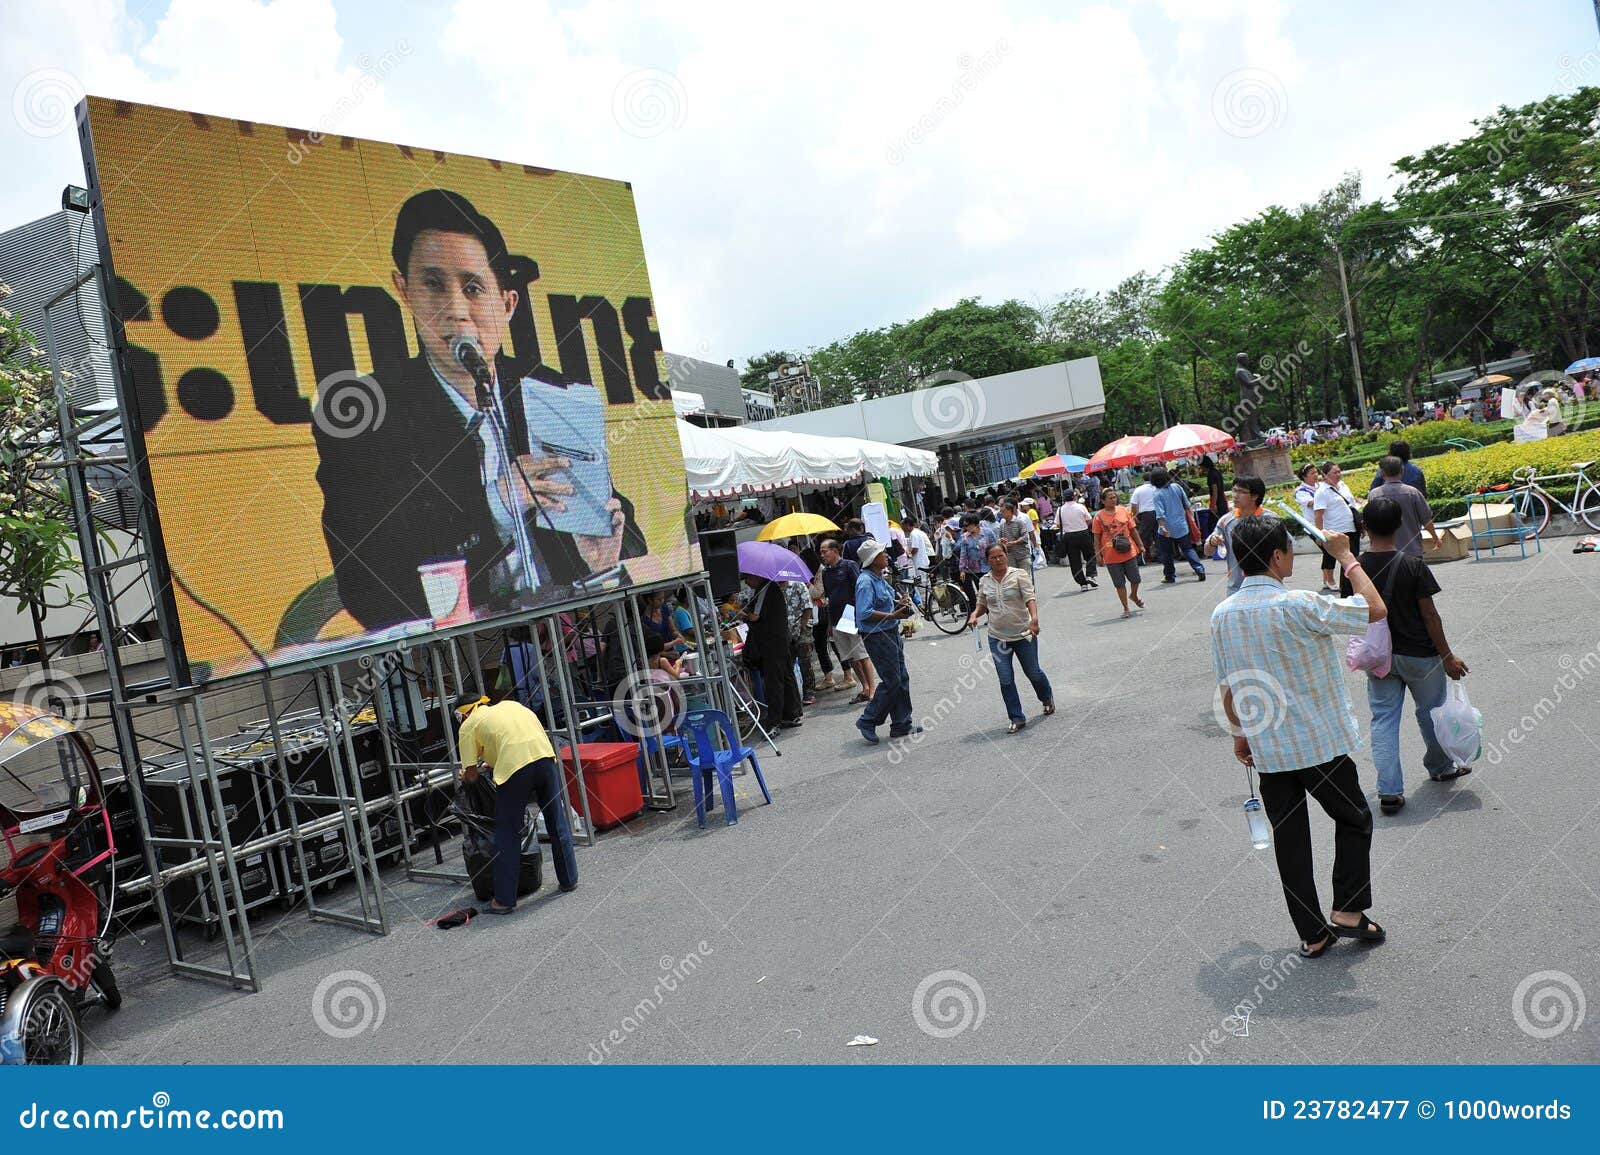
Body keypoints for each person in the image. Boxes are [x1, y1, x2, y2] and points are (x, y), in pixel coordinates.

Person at [315, 188, 645, 631]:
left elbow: (630, 538)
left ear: (507, 304)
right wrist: (493, 508)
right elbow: (371, 590)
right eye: (433, 285)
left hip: (576, 639)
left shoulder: (552, 394)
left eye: (473, 287)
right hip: (463, 663)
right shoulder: (364, 421)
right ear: (404, 291)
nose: (456, 309)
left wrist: (601, 560)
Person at [1210, 517, 1388, 958]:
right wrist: (1346, 556)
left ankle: (1312, 933)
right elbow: (1374, 609)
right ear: (1276, 557)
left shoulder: (1222, 615)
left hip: (1269, 747)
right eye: (1288, 550)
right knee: (1354, 818)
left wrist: (1239, 734)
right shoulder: (1299, 604)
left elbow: (1229, 683)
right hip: (1317, 743)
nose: (1291, 557)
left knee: (1291, 842)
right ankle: (1348, 910)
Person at [1358, 497, 1471, 813]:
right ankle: (1441, 767)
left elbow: (1351, 613)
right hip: (1420, 654)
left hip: (1378, 657)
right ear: (1398, 526)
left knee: (1383, 721)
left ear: (1364, 527)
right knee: (1431, 711)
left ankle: (1389, 790)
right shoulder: (1412, 565)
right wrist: (1447, 656)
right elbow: (1430, 616)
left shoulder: (1354, 569)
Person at [455, 693, 578, 913]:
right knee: (556, 821)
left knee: (507, 833)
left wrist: (465, 777)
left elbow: (471, 776)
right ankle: (569, 879)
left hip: (515, 770)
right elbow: (512, 739)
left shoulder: (467, 726)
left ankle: (503, 900)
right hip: (545, 759)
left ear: (461, 714)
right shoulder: (510, 705)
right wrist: (494, 762)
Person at [965, 542, 1055, 733]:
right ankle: (1016, 717)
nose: (998, 560)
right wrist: (974, 615)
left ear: (1006, 556)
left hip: (1023, 633)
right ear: (987, 560)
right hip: (997, 636)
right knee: (1005, 679)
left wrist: (1035, 618)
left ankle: (1046, 698)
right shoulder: (984, 581)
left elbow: (1030, 598)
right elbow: (982, 604)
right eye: (993, 558)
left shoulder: (1019, 575)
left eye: (1001, 556)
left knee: (1033, 672)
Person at [853, 540, 918, 745]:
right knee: (892, 681)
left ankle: (901, 723)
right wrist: (892, 616)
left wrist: (901, 604)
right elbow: (864, 613)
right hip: (878, 636)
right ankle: (868, 720)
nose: (886, 556)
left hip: (890, 633)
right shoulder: (865, 581)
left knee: (901, 678)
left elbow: (888, 602)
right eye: (882, 553)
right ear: (873, 560)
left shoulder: (879, 577)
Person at [739, 574, 802, 730]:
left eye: (747, 578)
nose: (746, 582)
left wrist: (743, 615)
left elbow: (755, 617)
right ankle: (791, 713)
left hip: (772, 643)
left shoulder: (766, 588)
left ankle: (774, 721)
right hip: (780, 641)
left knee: (774, 682)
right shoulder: (768, 589)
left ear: (755, 576)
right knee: (786, 677)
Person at [819, 538, 873, 702]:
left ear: (835, 550)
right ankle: (864, 687)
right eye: (821, 552)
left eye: (824, 551)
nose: (822, 555)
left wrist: (859, 615)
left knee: (861, 655)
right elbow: (827, 598)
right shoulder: (825, 572)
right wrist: (829, 623)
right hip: (835, 619)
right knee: (850, 657)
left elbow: (860, 590)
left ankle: (872, 690)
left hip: (850, 616)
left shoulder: (849, 565)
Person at [1366, 456, 1441, 556]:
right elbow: (1426, 519)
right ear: (1402, 471)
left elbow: (1370, 523)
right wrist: (1435, 537)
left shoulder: (1374, 495)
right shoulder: (1413, 493)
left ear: (1382, 473)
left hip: (1383, 552)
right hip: (1412, 549)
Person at [1206, 475, 1267, 594]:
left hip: (1268, 586)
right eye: (1234, 490)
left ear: (1255, 496)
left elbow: (1287, 548)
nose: (1235, 495)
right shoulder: (1225, 521)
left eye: (1242, 492)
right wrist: (1213, 542)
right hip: (1237, 589)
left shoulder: (1270, 519)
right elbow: (1207, 551)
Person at [1092, 489, 1146, 619]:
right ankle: (1126, 607)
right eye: (1110, 498)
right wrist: (1098, 555)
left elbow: (1132, 529)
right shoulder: (1098, 517)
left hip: (1129, 550)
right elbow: (1096, 538)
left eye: (1114, 497)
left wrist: (1140, 545)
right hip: (1111, 554)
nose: (1113, 499)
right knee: (1119, 583)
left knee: (1135, 578)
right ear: (1103, 501)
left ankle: (1134, 595)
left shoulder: (1123, 510)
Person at [1313, 461, 1361, 595]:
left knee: (1354, 558)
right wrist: (1319, 535)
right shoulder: (1322, 492)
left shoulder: (1343, 485)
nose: (1338, 475)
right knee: (1344, 560)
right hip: (1337, 531)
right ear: (1325, 475)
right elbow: (1318, 516)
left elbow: (1352, 503)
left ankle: (1353, 585)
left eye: (1339, 471)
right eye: (1335, 472)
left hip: (1352, 528)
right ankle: (1346, 590)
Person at [1152, 467, 1206, 583]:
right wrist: (1191, 519)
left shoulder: (1157, 494)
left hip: (1166, 528)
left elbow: (1160, 514)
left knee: (1167, 553)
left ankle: (1169, 576)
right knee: (1187, 549)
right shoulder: (1177, 487)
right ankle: (1199, 569)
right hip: (1182, 525)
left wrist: (1162, 527)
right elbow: (1187, 504)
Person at [1294, 463, 1335, 591]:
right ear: (1304, 477)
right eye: (1312, 473)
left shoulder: (1320, 486)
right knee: (1329, 551)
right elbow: (1312, 503)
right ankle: (1330, 580)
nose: (1316, 475)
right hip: (1312, 526)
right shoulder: (1300, 491)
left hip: (1325, 523)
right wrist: (1325, 496)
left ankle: (1326, 580)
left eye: (1316, 472)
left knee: (1328, 551)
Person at [1054, 491, 1098, 590]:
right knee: (1090, 555)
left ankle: (1082, 584)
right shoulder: (1080, 507)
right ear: (1074, 497)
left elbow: (1057, 524)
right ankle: (1090, 575)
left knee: (1075, 561)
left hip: (1069, 536)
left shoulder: (1060, 509)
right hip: (1083, 533)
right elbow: (1089, 520)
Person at [1129, 473, 1160, 567]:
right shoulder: (1156, 487)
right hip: (1157, 512)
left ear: (1143, 479)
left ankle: (1142, 558)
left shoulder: (1139, 489)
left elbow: (1133, 505)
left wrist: (1134, 515)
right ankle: (1160, 556)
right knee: (1157, 535)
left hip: (1146, 514)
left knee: (1143, 536)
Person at [995, 500, 1034, 573]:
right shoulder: (1002, 525)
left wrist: (1013, 543)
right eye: (1001, 511)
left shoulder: (1019, 522)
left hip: (1022, 555)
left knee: (1024, 578)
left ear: (1009, 511)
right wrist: (1001, 541)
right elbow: (998, 539)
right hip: (1010, 556)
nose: (1001, 513)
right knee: (1013, 578)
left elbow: (1025, 537)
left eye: (1003, 511)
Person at [1198, 456, 1227, 539]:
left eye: (1201, 467)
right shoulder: (1217, 472)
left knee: (1213, 525)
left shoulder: (1210, 475)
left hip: (1217, 502)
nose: (1201, 469)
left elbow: (1215, 490)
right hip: (1222, 500)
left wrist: (1213, 505)